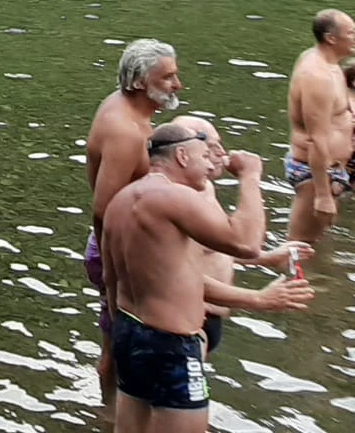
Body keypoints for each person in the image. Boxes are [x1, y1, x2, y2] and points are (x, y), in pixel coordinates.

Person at [99, 123, 280, 433]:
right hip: (172, 343)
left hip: (129, 332)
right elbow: (246, 243)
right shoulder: (176, 196)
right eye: (204, 156)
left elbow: (111, 276)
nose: (210, 165)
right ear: (182, 156)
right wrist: (250, 177)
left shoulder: (121, 201)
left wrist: (259, 297)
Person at [84, 38, 182, 415]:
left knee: (116, 342)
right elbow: (103, 209)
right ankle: (113, 416)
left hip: (122, 249)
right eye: (168, 77)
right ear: (140, 82)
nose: (178, 85)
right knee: (121, 346)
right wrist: (112, 273)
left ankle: (112, 413)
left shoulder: (125, 106)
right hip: (119, 253)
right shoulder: (126, 130)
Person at [172, 120, 312, 361]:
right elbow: (180, 275)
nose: (221, 153)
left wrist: (268, 258)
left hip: (204, 319)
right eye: (210, 147)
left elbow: (211, 250)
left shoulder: (204, 189)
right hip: (185, 322)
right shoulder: (178, 199)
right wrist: (258, 298)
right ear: (183, 154)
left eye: (219, 145)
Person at [285, 8, 355, 244]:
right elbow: (317, 138)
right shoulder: (316, 76)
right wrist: (323, 194)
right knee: (300, 245)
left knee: (316, 242)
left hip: (336, 167)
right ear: (331, 38)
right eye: (351, 33)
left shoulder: (331, 64)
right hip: (315, 173)